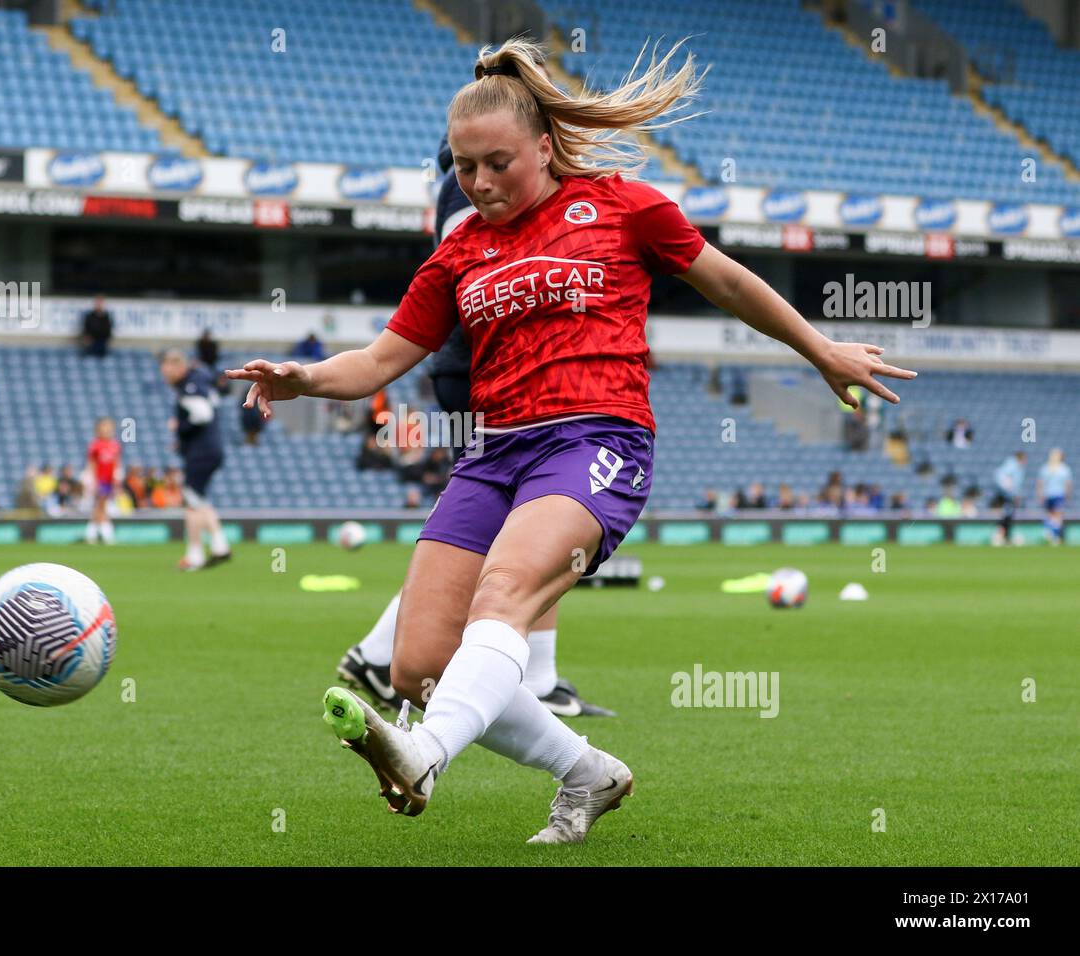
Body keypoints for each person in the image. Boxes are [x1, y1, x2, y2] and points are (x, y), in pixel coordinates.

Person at [228, 38, 916, 844]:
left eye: (497, 163)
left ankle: (423, 754)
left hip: (596, 438)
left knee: (504, 596)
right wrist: (302, 378)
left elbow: (726, 279)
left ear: (545, 147)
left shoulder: (625, 206)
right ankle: (588, 772)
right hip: (493, 455)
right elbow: (382, 358)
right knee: (418, 665)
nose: (480, 184)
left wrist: (821, 349)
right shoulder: (458, 252)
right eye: (463, 167)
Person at [335, 54, 615, 721]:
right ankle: (392, 656)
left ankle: (408, 658)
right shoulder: (485, 177)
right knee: (529, 520)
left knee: (524, 526)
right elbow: (484, 276)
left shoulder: (472, 168)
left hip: (473, 364)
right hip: (480, 364)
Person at [159, 349, 233, 570]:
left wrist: (180, 428)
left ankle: (195, 555)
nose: (165, 376)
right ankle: (220, 545)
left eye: (167, 370)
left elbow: (203, 415)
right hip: (210, 448)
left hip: (202, 451)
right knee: (198, 499)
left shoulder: (190, 385)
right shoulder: (200, 380)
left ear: (178, 367)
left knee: (191, 502)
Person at [85, 417, 121, 545]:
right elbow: (92, 464)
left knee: (101, 506)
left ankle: (92, 533)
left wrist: (117, 478)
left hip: (109, 480)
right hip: (99, 480)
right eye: (104, 426)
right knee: (101, 505)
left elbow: (116, 463)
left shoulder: (115, 445)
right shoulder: (95, 445)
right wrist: (92, 481)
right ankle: (105, 534)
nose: (107, 429)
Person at [1036, 448, 1072, 545]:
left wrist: (1040, 495)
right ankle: (1055, 536)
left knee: (1050, 516)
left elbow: (1040, 483)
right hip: (1059, 495)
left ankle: (1049, 531)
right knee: (1058, 517)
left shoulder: (1045, 468)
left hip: (1048, 495)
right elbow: (1068, 484)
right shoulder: (1064, 468)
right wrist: (1068, 495)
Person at [991, 451, 1026, 546]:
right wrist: (1009, 489)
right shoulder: (1012, 465)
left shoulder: (1017, 467)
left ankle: (1004, 536)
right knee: (1005, 517)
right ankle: (1000, 536)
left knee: (1008, 517)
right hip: (1006, 496)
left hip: (1010, 496)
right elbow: (1002, 477)